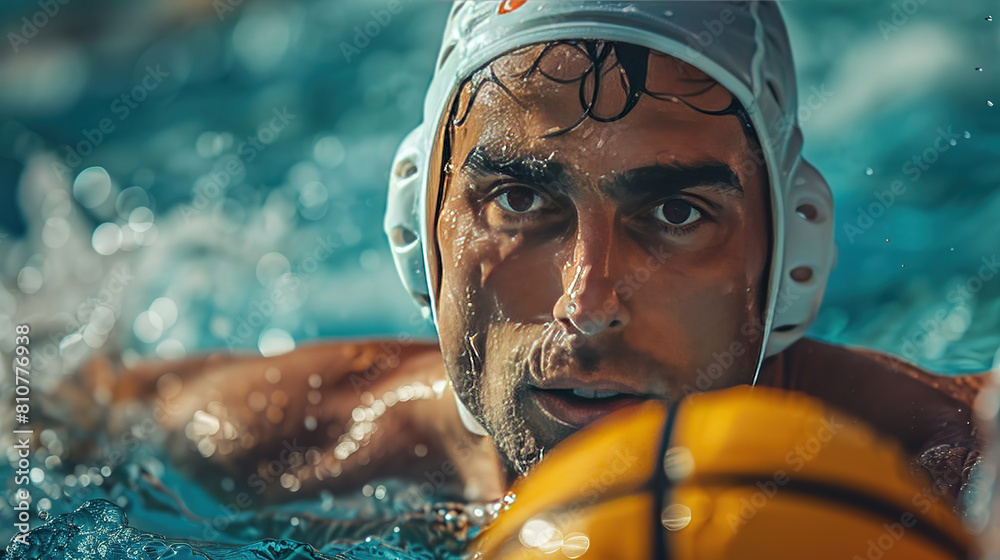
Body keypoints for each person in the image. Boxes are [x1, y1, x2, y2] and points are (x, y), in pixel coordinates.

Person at [57, 0, 986, 522]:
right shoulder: (320, 446)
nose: (589, 304)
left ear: (792, 258)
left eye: (672, 211)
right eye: (520, 202)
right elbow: (42, 401)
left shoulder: (943, 474)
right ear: (419, 233)